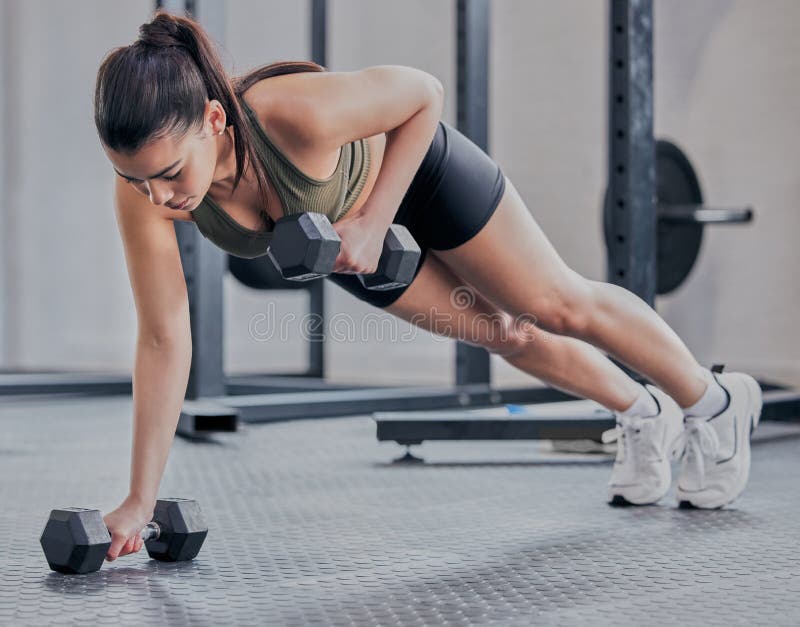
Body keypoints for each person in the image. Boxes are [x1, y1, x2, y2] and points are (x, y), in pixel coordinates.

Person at [93, 11, 762, 563]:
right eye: (136, 180)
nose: (158, 194)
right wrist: (139, 497)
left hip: (422, 177)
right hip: (352, 247)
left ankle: (715, 400)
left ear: (213, 120)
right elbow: (162, 334)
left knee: (553, 302)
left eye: (170, 172)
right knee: (506, 334)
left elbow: (422, 93)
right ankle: (643, 413)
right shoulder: (148, 199)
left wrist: (372, 218)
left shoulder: (291, 114)